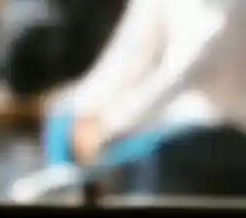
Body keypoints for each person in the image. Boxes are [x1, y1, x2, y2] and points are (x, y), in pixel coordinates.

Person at [45, 0, 246, 198]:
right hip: (159, 122)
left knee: (146, 157)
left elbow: (177, 78)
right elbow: (124, 61)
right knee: (63, 119)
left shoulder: (231, 8)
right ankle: (63, 191)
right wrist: (78, 108)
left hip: (223, 128)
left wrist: (106, 127)